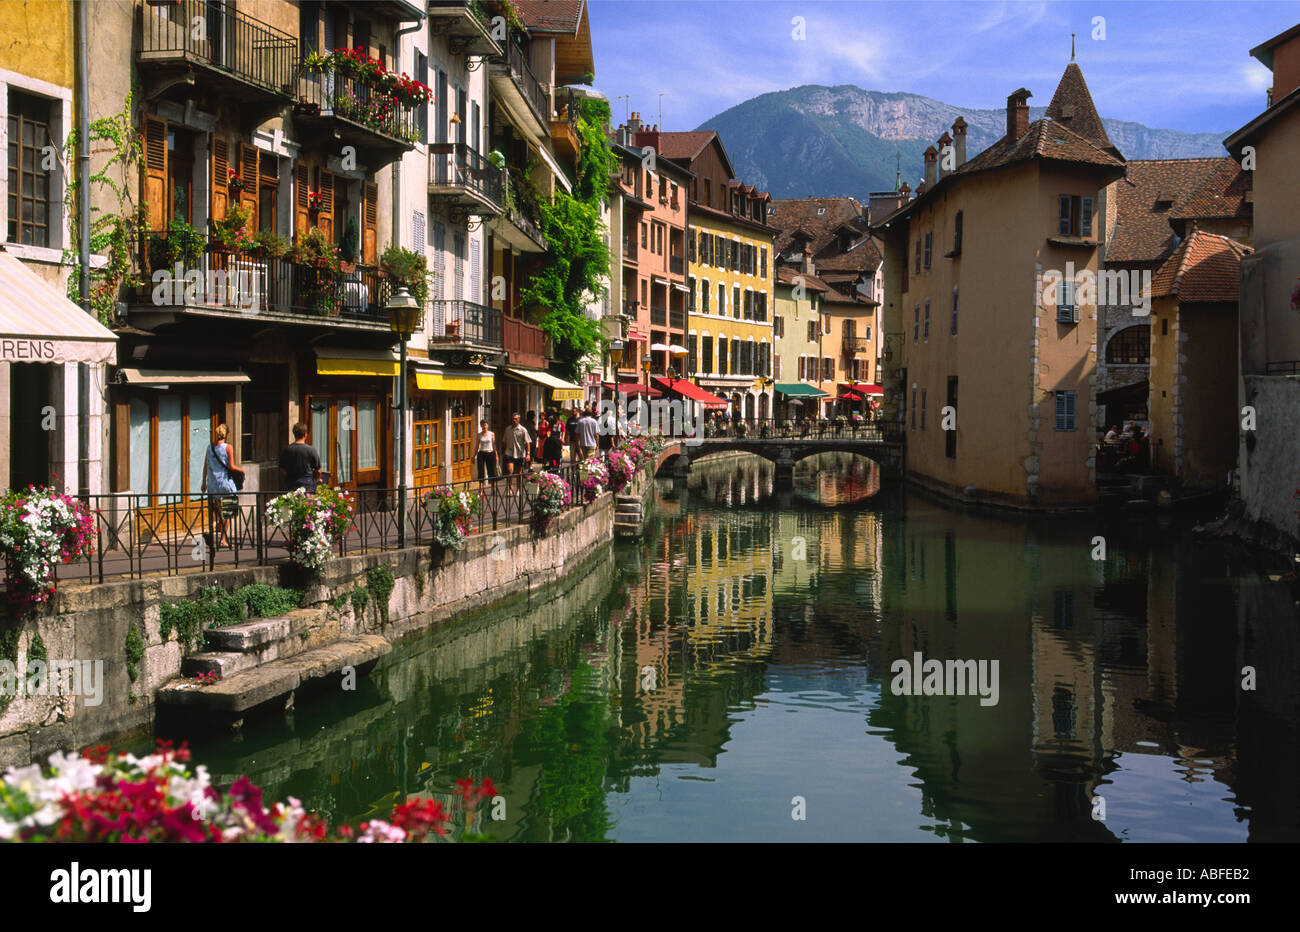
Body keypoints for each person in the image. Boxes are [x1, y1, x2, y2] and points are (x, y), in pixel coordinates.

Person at [202, 423, 244, 549]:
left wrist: (203, 482)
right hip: (225, 483)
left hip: (213, 484)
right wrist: (241, 470)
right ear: (226, 435)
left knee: (216, 511)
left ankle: (214, 525)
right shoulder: (228, 448)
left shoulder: (209, 448)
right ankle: (223, 540)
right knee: (228, 512)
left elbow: (206, 466)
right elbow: (231, 466)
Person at [279, 422, 321, 492]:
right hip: (307, 483)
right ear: (305, 434)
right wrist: (316, 479)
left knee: (292, 502)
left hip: (291, 483)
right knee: (307, 503)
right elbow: (318, 471)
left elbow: (282, 469)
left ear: (294, 434)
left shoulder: (287, 450)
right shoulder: (311, 450)